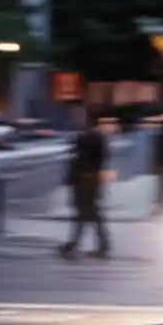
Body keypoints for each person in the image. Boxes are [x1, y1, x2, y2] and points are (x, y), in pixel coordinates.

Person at [59, 108, 111, 260]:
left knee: (85, 214)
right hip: (86, 181)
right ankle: (101, 246)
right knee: (90, 214)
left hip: (85, 181)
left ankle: (73, 246)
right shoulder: (91, 137)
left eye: (80, 116)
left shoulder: (92, 138)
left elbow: (85, 161)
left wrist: (79, 176)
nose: (77, 118)